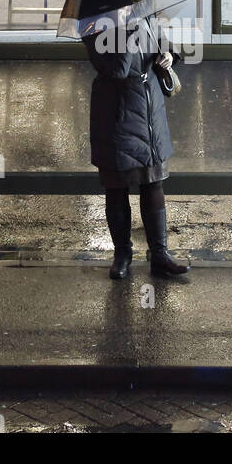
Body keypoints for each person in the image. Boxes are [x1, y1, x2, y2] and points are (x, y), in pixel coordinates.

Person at [80, 15, 188, 280]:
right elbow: (116, 68)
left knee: (153, 182)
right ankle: (122, 255)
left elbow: (165, 46)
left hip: (149, 113)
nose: (129, 6)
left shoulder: (144, 16)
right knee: (117, 186)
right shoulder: (94, 26)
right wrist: (128, 33)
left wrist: (169, 56)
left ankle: (160, 255)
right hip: (116, 115)